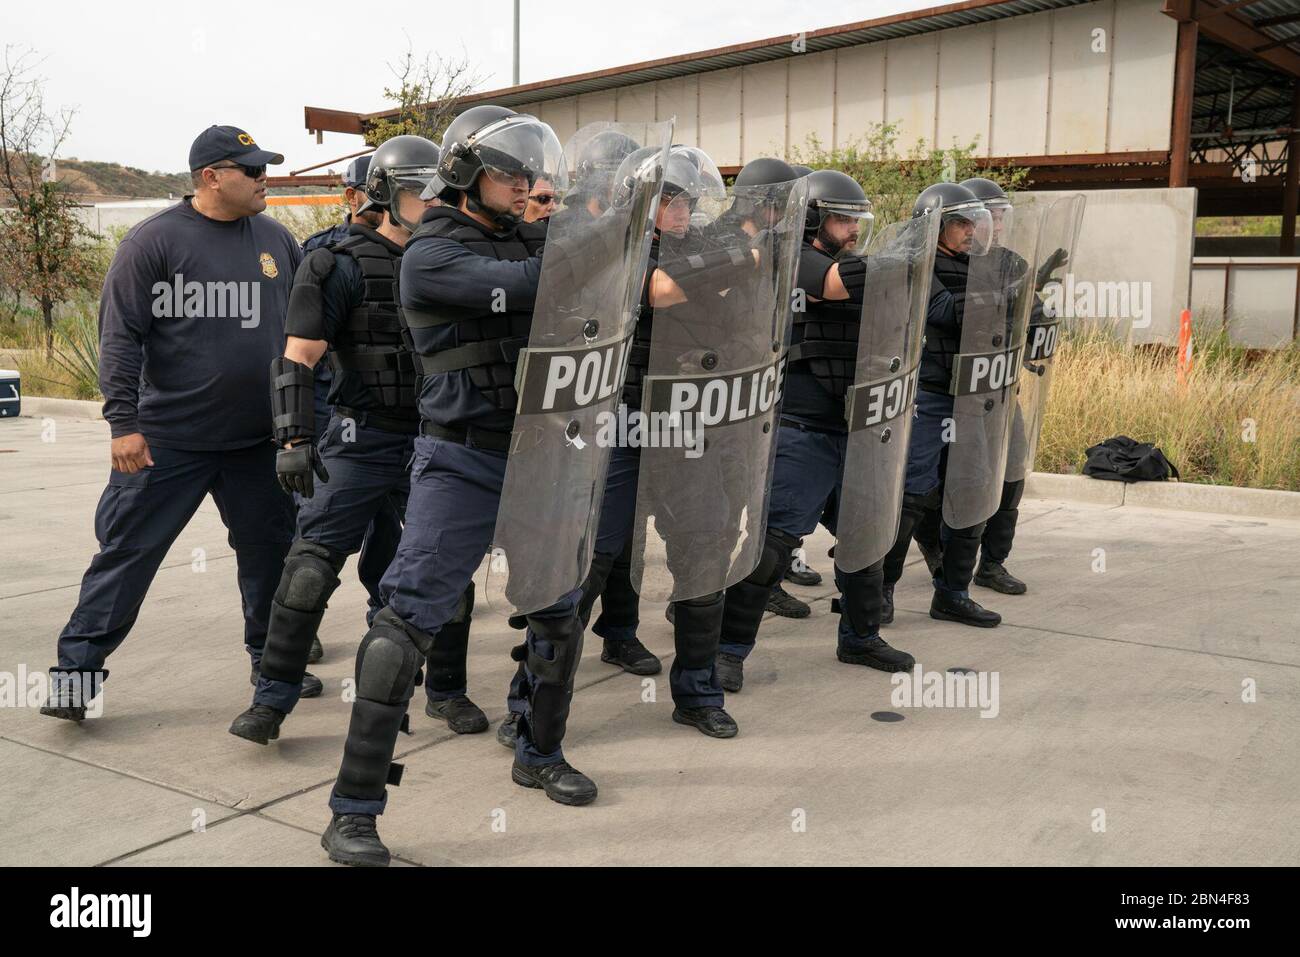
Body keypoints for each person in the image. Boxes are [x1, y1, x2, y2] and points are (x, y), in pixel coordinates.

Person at [321, 105, 618, 867]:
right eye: (510, 173)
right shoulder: (434, 252)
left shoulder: (527, 233)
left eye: (531, 175)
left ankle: (537, 748)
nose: (526, 188)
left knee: (558, 611)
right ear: (464, 174)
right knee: (401, 628)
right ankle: (353, 808)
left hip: (544, 455)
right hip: (463, 460)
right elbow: (532, 282)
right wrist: (601, 235)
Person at [228, 134, 489, 745]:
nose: (430, 201)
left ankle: (446, 691)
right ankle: (272, 699)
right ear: (380, 195)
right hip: (362, 437)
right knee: (309, 568)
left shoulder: (455, 259)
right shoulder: (336, 263)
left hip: (439, 441)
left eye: (437, 191)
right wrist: (293, 436)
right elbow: (298, 357)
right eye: (413, 191)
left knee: (446, 575)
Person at [41, 125, 301, 722]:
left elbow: (302, 331)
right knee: (127, 556)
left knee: (270, 557)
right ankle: (74, 681)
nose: (266, 180)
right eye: (253, 171)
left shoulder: (276, 240)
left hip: (257, 442)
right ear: (212, 177)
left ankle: (273, 669)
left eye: (266, 170)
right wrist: (122, 425)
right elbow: (120, 337)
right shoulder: (153, 243)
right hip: (168, 442)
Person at [714, 168, 920, 693]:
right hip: (803, 430)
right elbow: (833, 286)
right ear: (812, 218)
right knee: (774, 543)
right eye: (843, 218)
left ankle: (859, 636)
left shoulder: (849, 263)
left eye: (857, 219)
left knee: (867, 535)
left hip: (855, 424)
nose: (853, 229)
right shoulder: (792, 259)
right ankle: (727, 651)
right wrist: (908, 259)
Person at [881, 181, 1014, 628]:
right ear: (935, 225)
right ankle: (879, 592)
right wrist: (999, 298)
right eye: (958, 222)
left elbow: (1021, 309)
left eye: (971, 221)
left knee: (973, 492)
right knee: (913, 494)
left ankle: (953, 592)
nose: (969, 229)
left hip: (977, 393)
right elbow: (942, 309)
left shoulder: (983, 263)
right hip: (931, 396)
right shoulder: (914, 261)